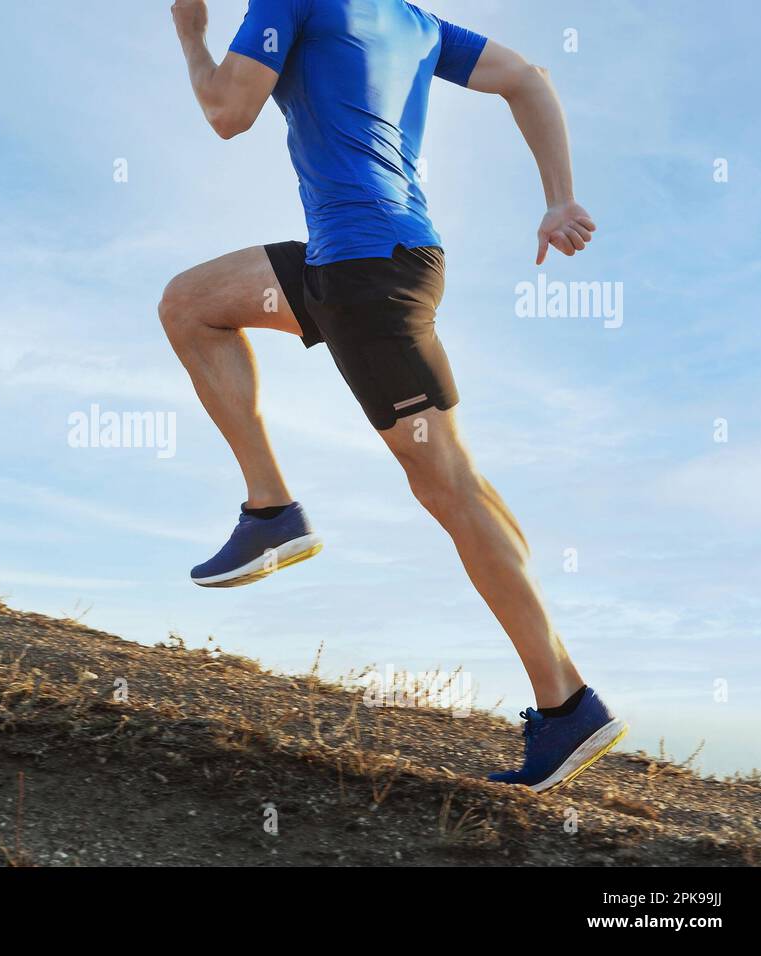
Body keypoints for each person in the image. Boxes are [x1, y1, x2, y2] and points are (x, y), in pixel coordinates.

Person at [162, 0, 625, 791]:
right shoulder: (415, 20)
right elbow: (528, 78)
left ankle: (568, 702)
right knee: (192, 303)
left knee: (448, 484)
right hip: (362, 260)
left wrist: (191, 35)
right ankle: (271, 512)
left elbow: (227, 112)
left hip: (365, 278)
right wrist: (558, 195)